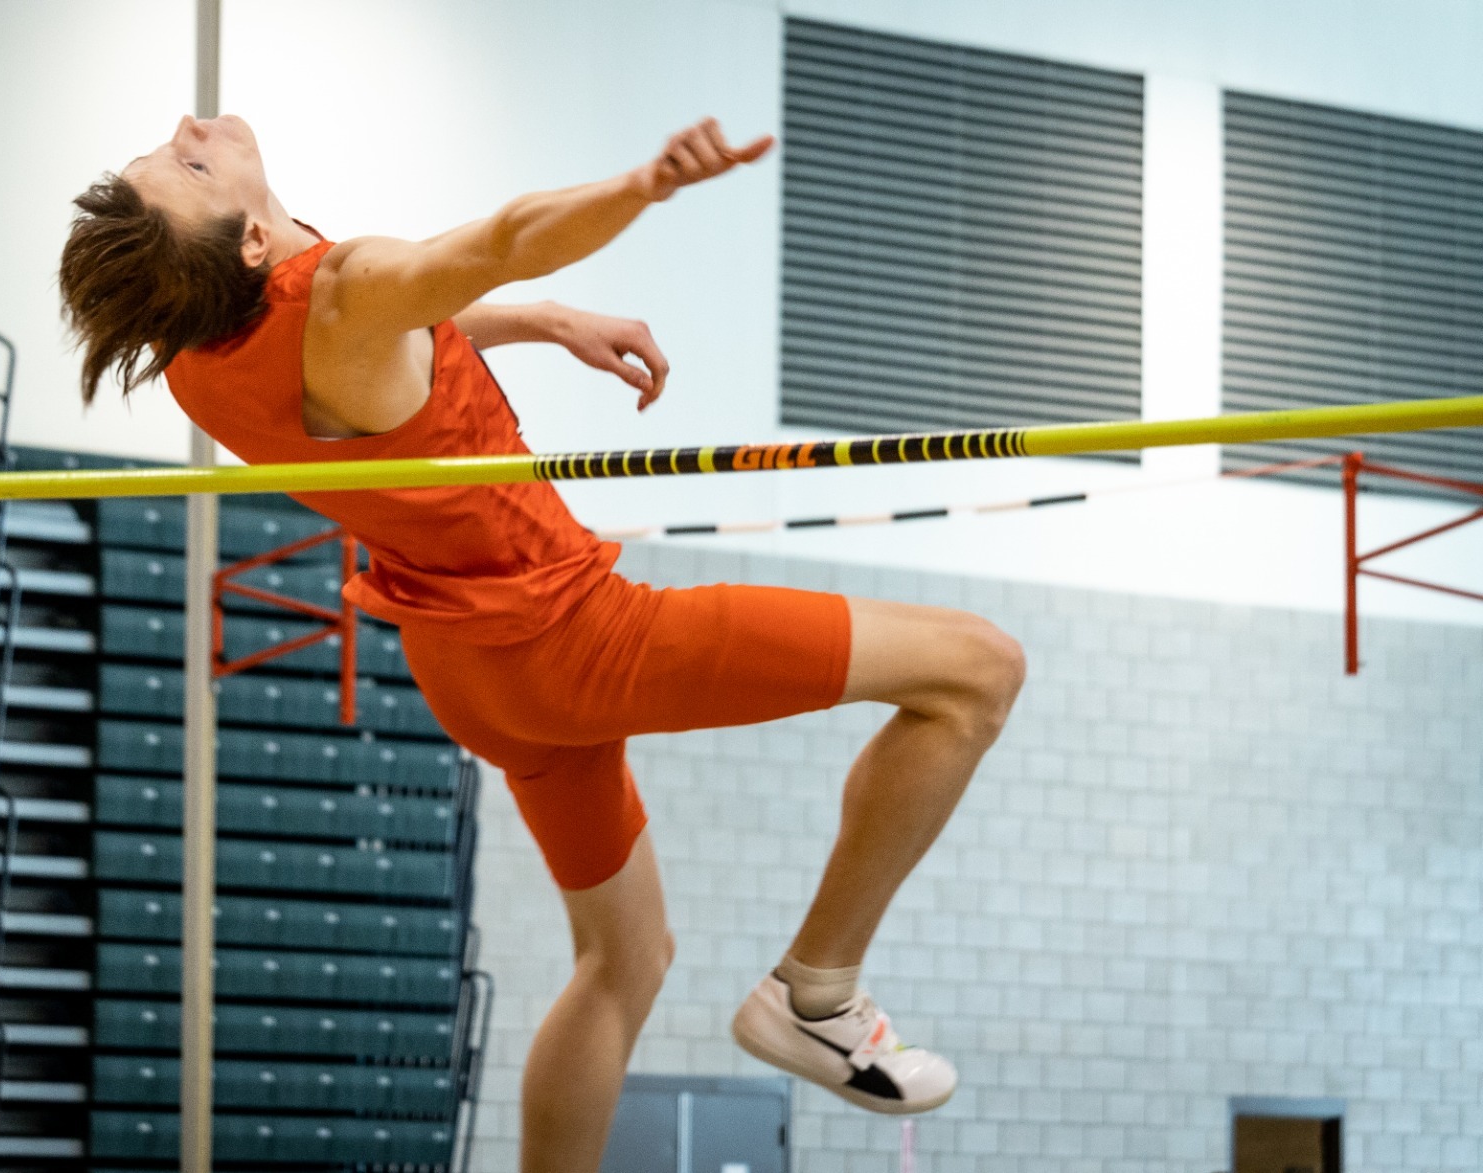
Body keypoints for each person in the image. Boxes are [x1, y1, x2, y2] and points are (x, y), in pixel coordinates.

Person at [58, 114, 1025, 1171]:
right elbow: (496, 238)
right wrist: (642, 185)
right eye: (191, 162)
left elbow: (406, 319)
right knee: (975, 669)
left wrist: (544, 320)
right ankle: (817, 993)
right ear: (247, 244)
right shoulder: (340, 291)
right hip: (572, 639)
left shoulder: (200, 354)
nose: (194, 128)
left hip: (469, 670)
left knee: (622, 961)